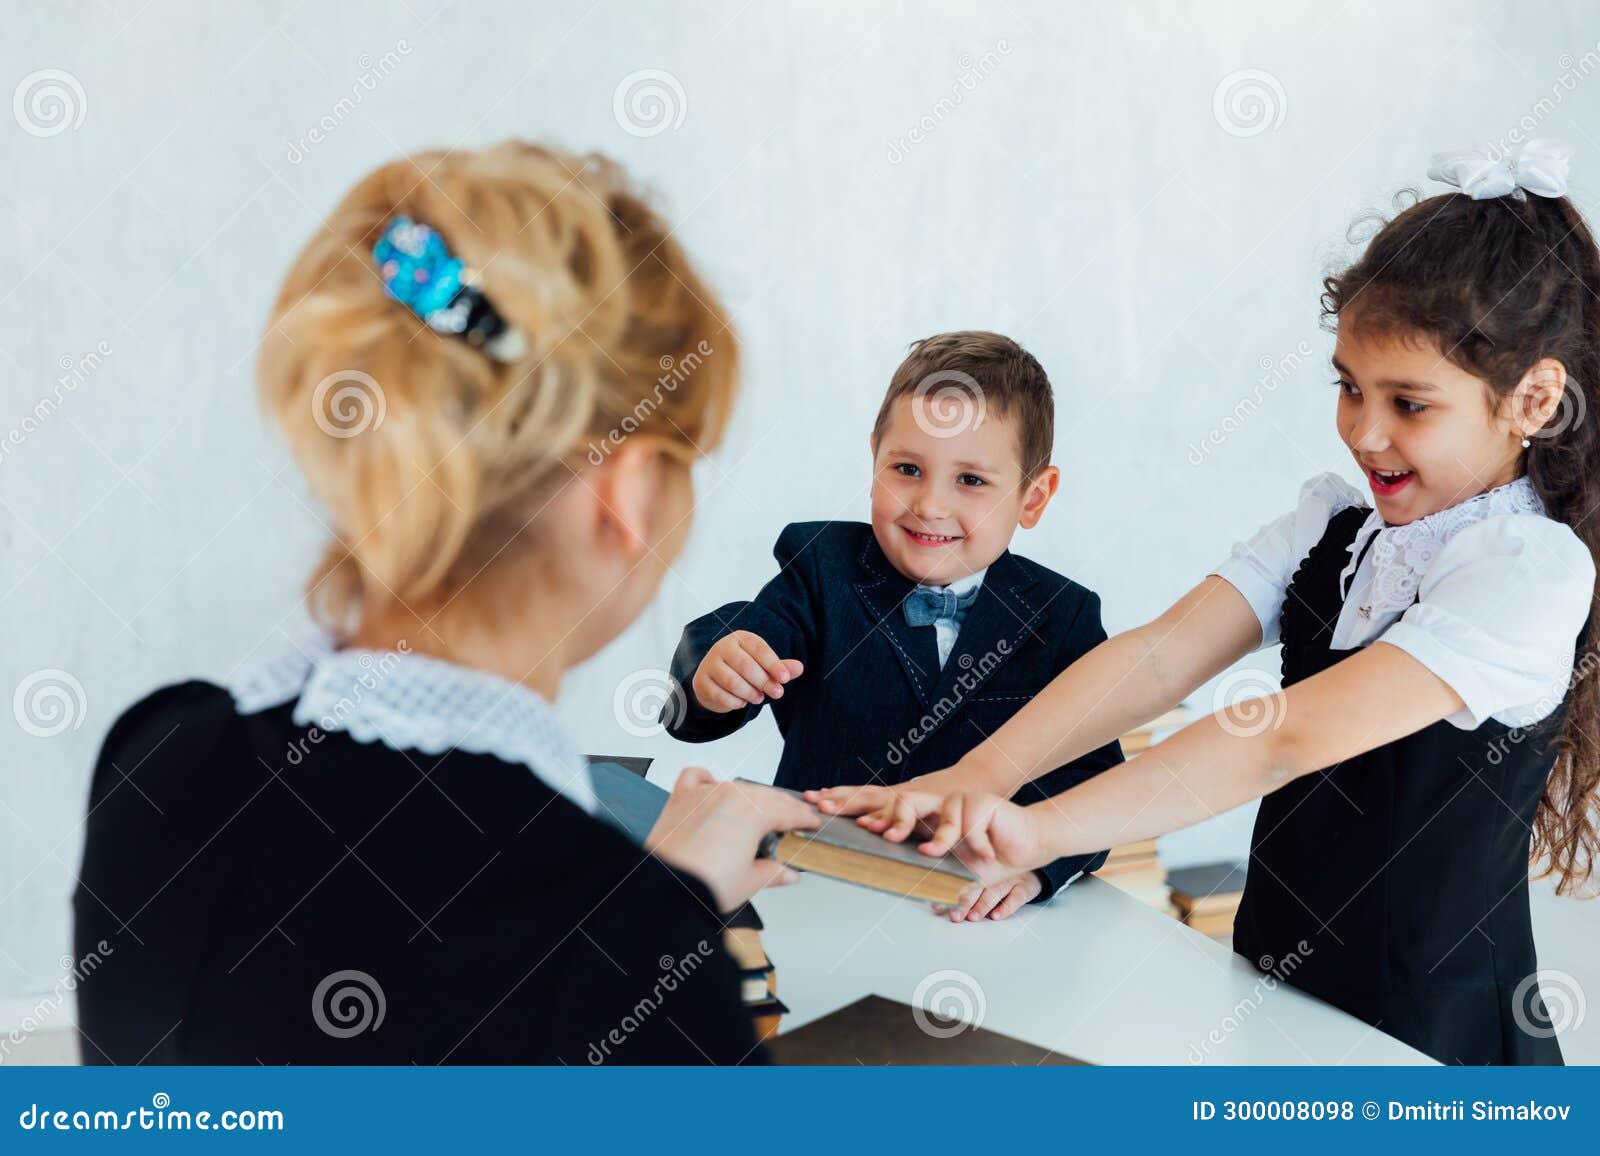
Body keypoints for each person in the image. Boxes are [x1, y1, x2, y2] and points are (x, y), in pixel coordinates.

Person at [813, 141, 1599, 1065]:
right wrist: (974, 778)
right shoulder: (1334, 525)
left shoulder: (1527, 572)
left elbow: (1283, 735)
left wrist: (1040, 829)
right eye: (1348, 388)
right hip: (1273, 995)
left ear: (1533, 399)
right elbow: (1161, 654)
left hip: (1431, 1043)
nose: (1365, 432)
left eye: (1410, 403)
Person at [73, 141, 820, 1065]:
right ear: (621, 494)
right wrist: (655, 930)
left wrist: (644, 902)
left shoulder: (160, 756)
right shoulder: (633, 978)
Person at [664, 333, 1122, 921]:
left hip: (971, 904)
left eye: (971, 480)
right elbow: (750, 634)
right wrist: (715, 669)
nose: (929, 504)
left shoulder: (1064, 615)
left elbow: (1097, 778)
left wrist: (1037, 867)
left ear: (1033, 498)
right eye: (907, 469)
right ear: (874, 459)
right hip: (813, 881)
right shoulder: (823, 565)